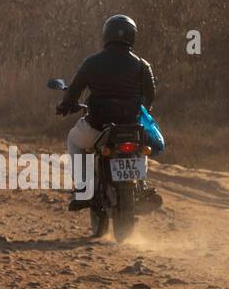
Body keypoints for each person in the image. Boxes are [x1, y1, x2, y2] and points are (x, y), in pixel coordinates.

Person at [57, 14, 159, 210]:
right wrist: (139, 110)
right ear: (132, 36)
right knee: (140, 144)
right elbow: (150, 96)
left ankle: (84, 188)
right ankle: (142, 185)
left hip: (98, 128)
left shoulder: (92, 62)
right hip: (131, 128)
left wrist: (65, 105)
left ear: (107, 35)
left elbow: (74, 90)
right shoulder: (142, 65)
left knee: (73, 140)